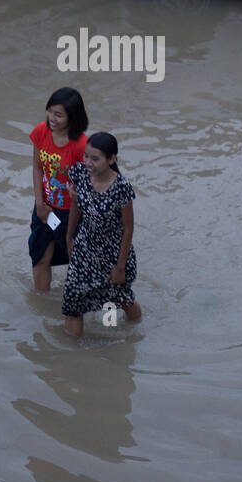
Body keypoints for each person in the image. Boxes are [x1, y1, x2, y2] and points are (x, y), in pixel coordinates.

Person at [63, 132, 142, 338]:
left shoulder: (121, 188)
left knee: (121, 299)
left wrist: (120, 267)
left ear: (112, 159)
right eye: (86, 156)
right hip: (84, 249)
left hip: (112, 256)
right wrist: (69, 238)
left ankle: (136, 334)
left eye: (95, 158)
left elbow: (128, 228)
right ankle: (72, 357)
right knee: (73, 300)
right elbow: (76, 205)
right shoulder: (80, 173)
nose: (88, 162)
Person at [29, 88, 89, 291]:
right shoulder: (41, 131)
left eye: (58, 114)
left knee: (77, 262)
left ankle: (74, 308)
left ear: (72, 117)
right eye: (49, 111)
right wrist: (40, 205)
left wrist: (70, 230)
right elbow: (37, 167)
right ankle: (41, 306)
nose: (51, 118)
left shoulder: (82, 146)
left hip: (71, 213)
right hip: (45, 208)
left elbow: (83, 192)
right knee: (40, 257)